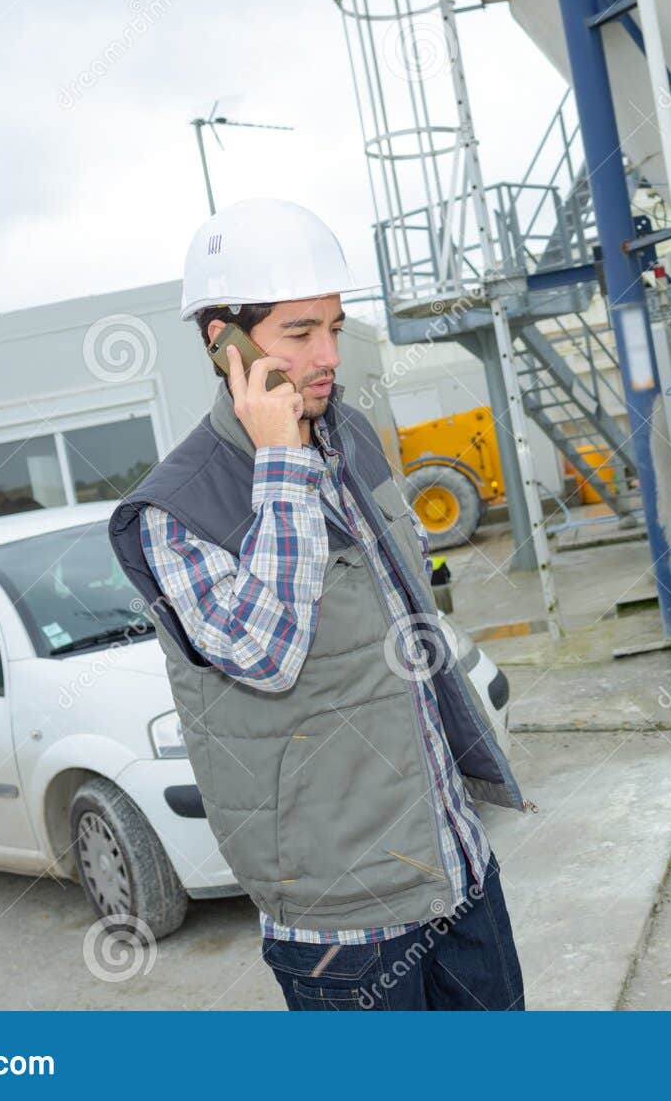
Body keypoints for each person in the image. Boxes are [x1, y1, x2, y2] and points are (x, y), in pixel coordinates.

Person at [107, 198, 529, 1010]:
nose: (328, 355)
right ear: (222, 341)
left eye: (334, 327)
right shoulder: (176, 509)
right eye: (300, 334)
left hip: (456, 865)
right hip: (344, 927)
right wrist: (280, 462)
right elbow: (266, 656)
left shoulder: (354, 436)